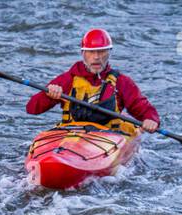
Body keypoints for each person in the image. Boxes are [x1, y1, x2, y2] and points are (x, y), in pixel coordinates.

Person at [26, 29, 160, 136]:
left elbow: (142, 107)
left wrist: (150, 119)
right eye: (91, 52)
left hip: (109, 136)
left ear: (109, 53)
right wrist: (48, 95)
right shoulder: (67, 80)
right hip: (71, 135)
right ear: (83, 53)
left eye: (101, 51)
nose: (96, 57)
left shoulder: (122, 82)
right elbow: (31, 109)